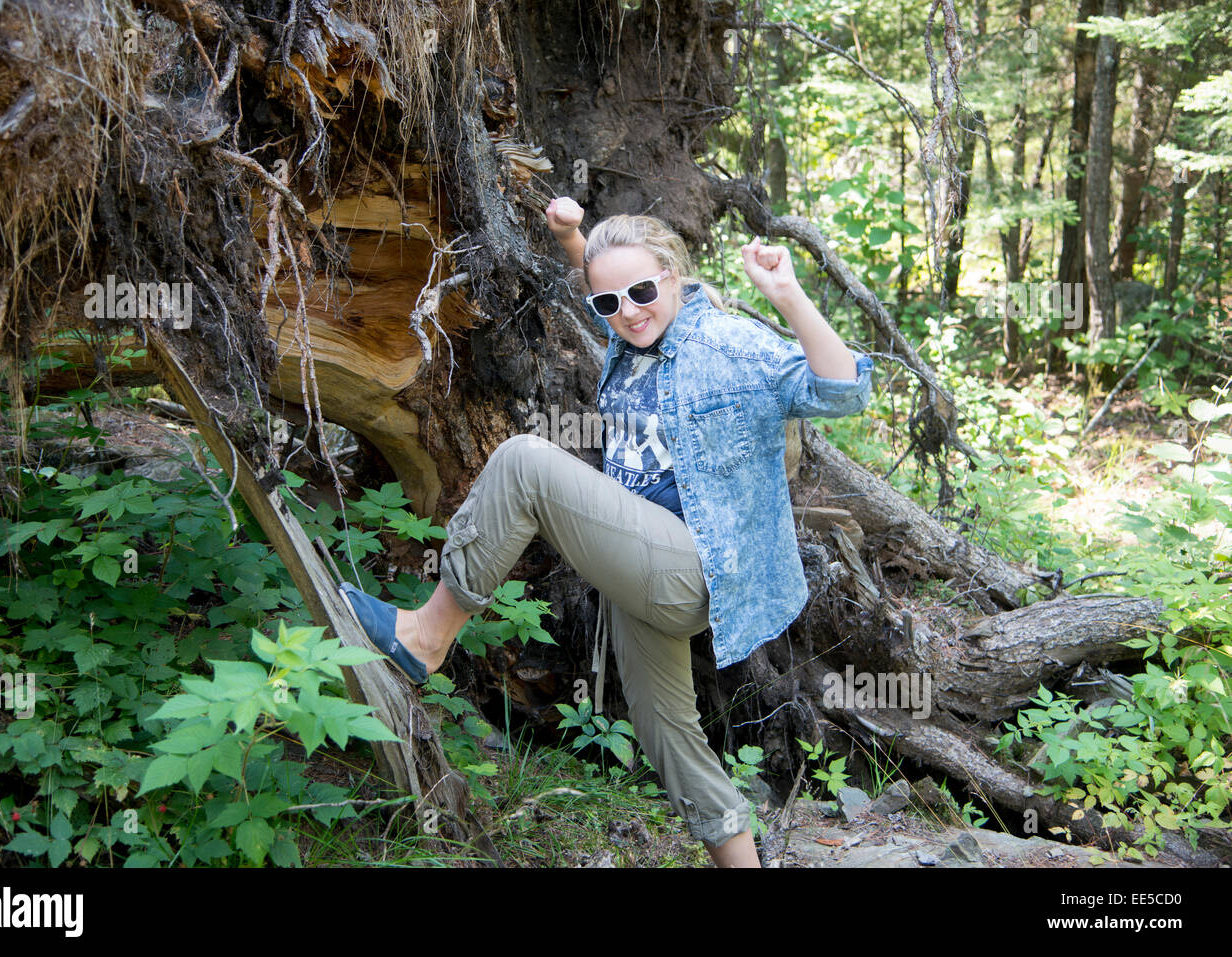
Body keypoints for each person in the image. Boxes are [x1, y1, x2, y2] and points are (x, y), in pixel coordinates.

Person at [339, 197, 874, 867]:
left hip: (689, 564)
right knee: (667, 733)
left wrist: (788, 292)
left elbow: (845, 391)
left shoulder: (725, 342)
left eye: (644, 292)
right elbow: (613, 280)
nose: (627, 310)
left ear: (678, 277)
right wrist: (572, 237)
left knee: (524, 463)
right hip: (644, 565)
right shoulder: (632, 329)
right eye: (607, 304)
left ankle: (426, 636)